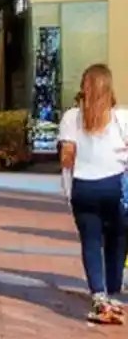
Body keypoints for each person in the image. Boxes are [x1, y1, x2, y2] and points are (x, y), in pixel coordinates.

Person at [59, 64, 128, 324]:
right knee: (118, 238)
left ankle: (99, 297)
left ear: (84, 88)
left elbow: (67, 159)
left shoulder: (71, 118)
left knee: (90, 241)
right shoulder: (122, 118)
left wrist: (68, 191)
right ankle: (112, 292)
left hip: (83, 188)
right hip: (115, 187)